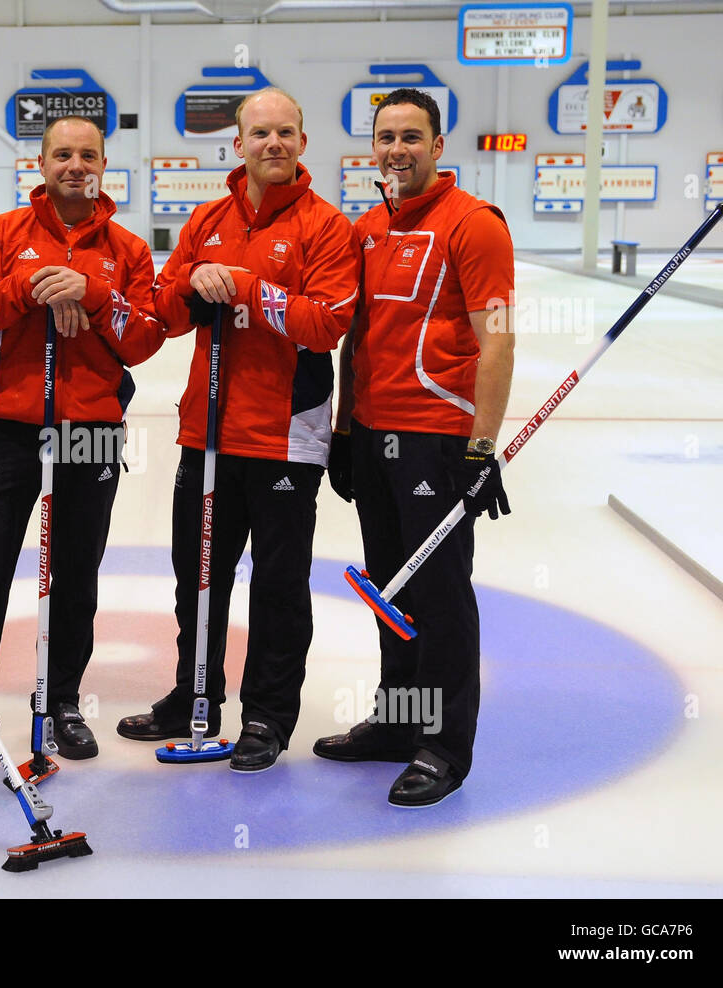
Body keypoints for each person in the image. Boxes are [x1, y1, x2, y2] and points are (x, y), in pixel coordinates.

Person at [0, 115, 164, 778]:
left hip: (91, 434)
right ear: (41, 163)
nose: (75, 164)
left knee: (74, 575)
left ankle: (63, 701)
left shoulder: (125, 249)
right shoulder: (4, 236)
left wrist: (93, 294)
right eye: (62, 154)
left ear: (103, 164)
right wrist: (30, 287)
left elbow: (146, 337)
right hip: (11, 430)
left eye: (87, 155)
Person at [117, 88, 360, 773]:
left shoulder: (325, 226)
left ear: (303, 142)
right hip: (208, 432)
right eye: (261, 133)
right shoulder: (208, 218)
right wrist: (196, 278)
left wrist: (249, 286)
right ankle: (193, 693)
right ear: (240, 144)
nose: (273, 143)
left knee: (278, 586)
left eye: (286, 132)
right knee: (197, 576)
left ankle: (266, 717)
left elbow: (326, 323)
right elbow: (163, 313)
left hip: (285, 436)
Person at [314, 88, 515, 807]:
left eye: (411, 136)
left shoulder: (474, 225)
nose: (396, 148)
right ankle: (399, 724)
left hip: (436, 439)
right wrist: (342, 432)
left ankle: (443, 746)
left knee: (439, 596)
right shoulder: (366, 228)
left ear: (437, 144)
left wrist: (481, 448)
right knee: (391, 592)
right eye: (385, 136)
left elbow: (498, 338)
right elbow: (355, 339)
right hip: (372, 435)